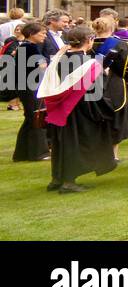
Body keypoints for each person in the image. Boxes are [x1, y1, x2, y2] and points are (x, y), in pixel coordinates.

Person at [38, 26, 117, 194]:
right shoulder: (89, 65)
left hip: (60, 109)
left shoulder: (58, 60)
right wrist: (108, 110)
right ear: (89, 41)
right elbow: (96, 94)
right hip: (81, 111)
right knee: (76, 144)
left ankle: (57, 178)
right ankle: (68, 182)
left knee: (61, 144)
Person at [90, 12, 128, 158]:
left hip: (91, 84)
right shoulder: (122, 44)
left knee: (95, 117)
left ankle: (96, 152)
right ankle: (113, 155)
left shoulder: (88, 44)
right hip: (114, 84)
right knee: (115, 117)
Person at [10, 21, 49, 162]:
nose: (45, 36)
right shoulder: (30, 48)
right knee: (36, 119)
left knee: (30, 119)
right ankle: (39, 153)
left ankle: (21, 153)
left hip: (26, 86)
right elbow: (42, 66)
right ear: (32, 34)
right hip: (30, 87)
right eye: (42, 33)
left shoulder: (26, 47)